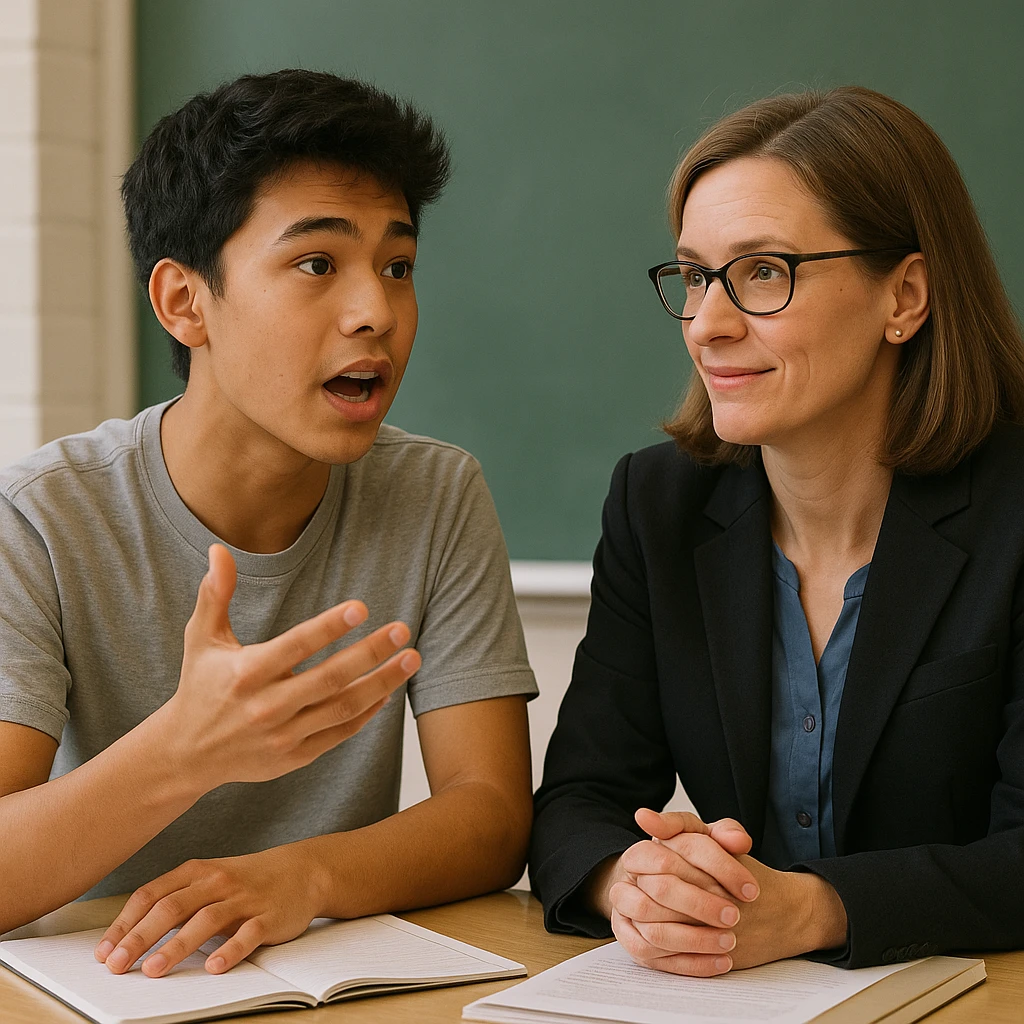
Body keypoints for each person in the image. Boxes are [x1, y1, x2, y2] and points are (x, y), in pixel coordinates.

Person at [0, 70, 537, 977]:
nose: (377, 312)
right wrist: (187, 748)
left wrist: (307, 877)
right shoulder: (42, 517)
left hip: (335, 978)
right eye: (318, 264)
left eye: (398, 266)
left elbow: (490, 814)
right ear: (183, 302)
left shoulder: (436, 494)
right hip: (103, 987)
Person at [530, 86, 1024, 975]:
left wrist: (815, 909)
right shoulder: (658, 505)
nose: (709, 325)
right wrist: (635, 882)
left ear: (903, 296)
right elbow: (579, 804)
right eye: (694, 277)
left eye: (764, 272)